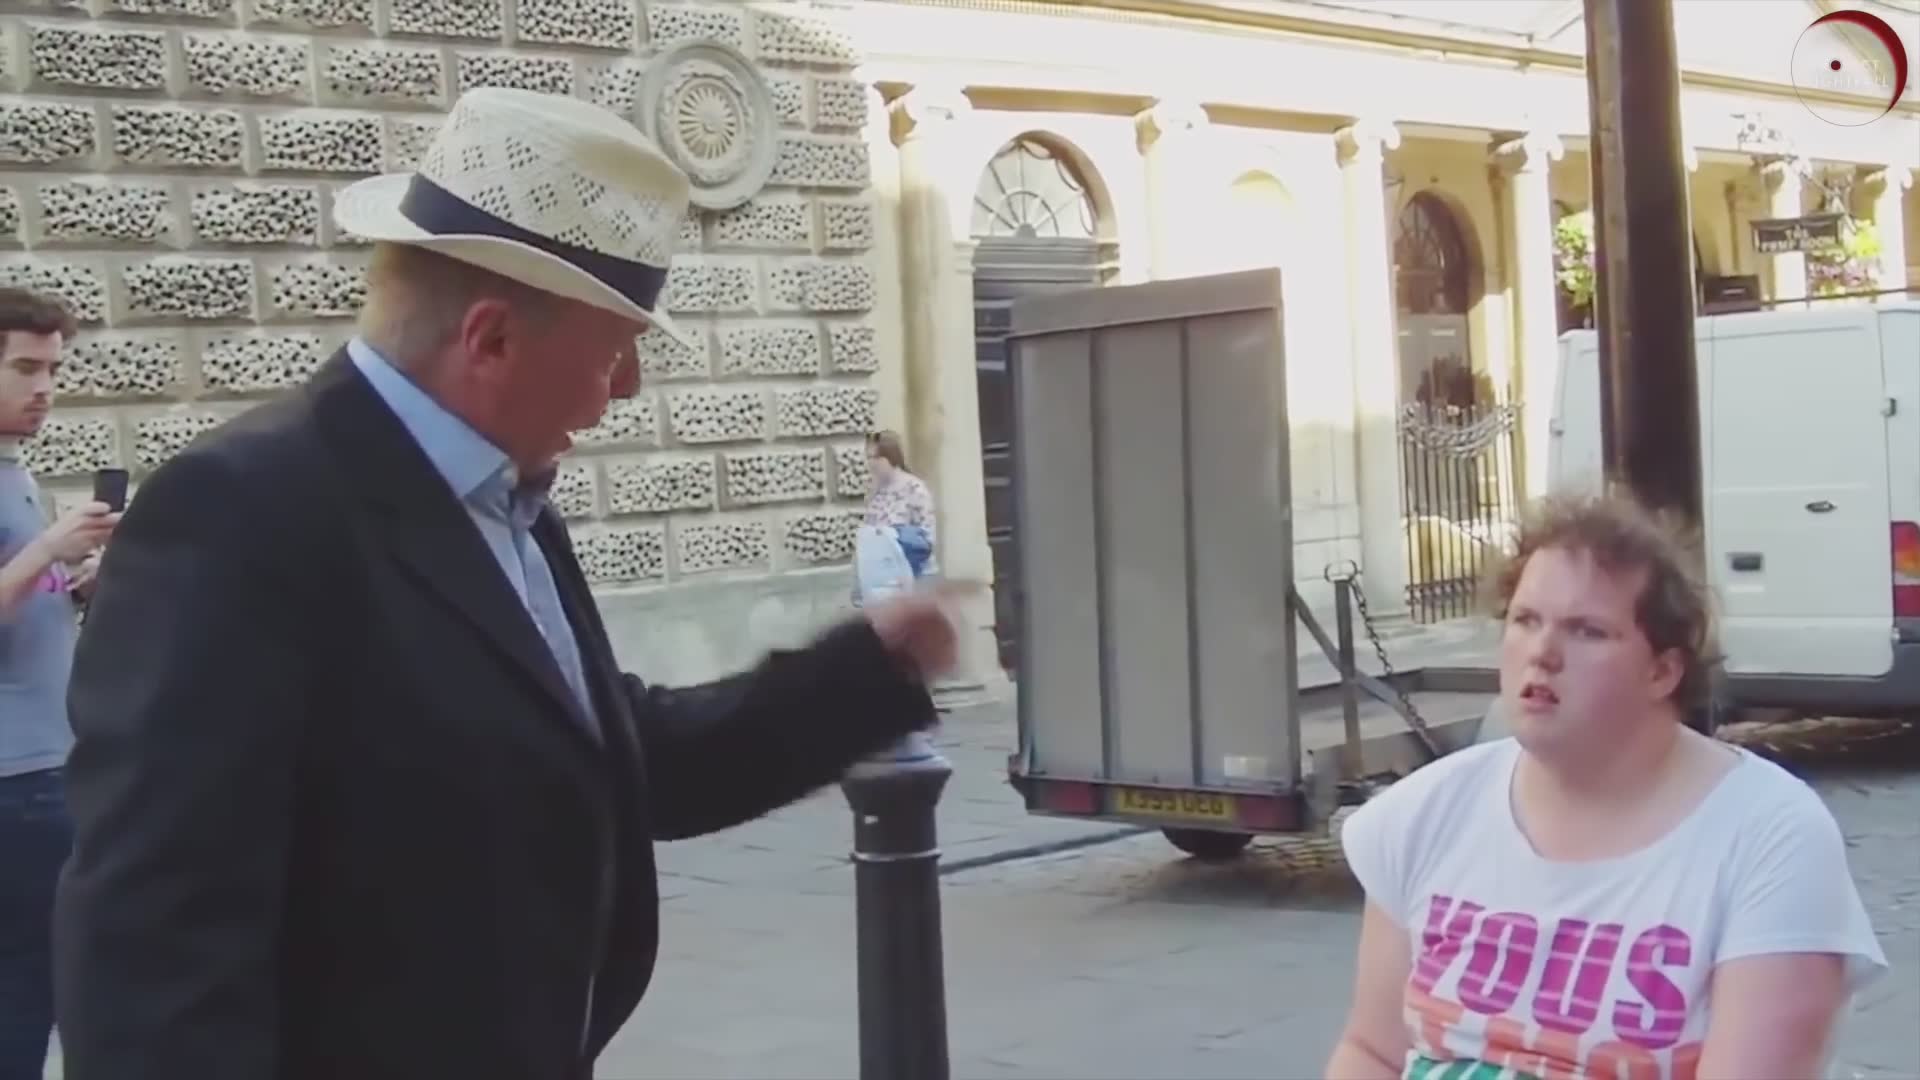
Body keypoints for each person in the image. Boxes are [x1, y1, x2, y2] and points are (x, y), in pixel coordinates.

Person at [53, 87, 965, 1080]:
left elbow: (612, 756)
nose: (627, 391)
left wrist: (860, 674)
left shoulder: (507, 502)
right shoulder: (239, 515)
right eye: (615, 349)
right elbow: (155, 958)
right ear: (490, 340)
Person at [1326, 493, 1886, 1080]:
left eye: (1587, 631)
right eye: (1525, 620)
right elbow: (1372, 1052)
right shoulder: (1423, 813)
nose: (1542, 653)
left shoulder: (1768, 837)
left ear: (1662, 671)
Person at [0, 288, 117, 1080]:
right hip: (16, 781)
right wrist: (49, 548)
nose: (44, 387)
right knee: (30, 992)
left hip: (46, 767)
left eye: (52, 369)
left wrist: (72, 583)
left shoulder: (13, 470)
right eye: (22, 368)